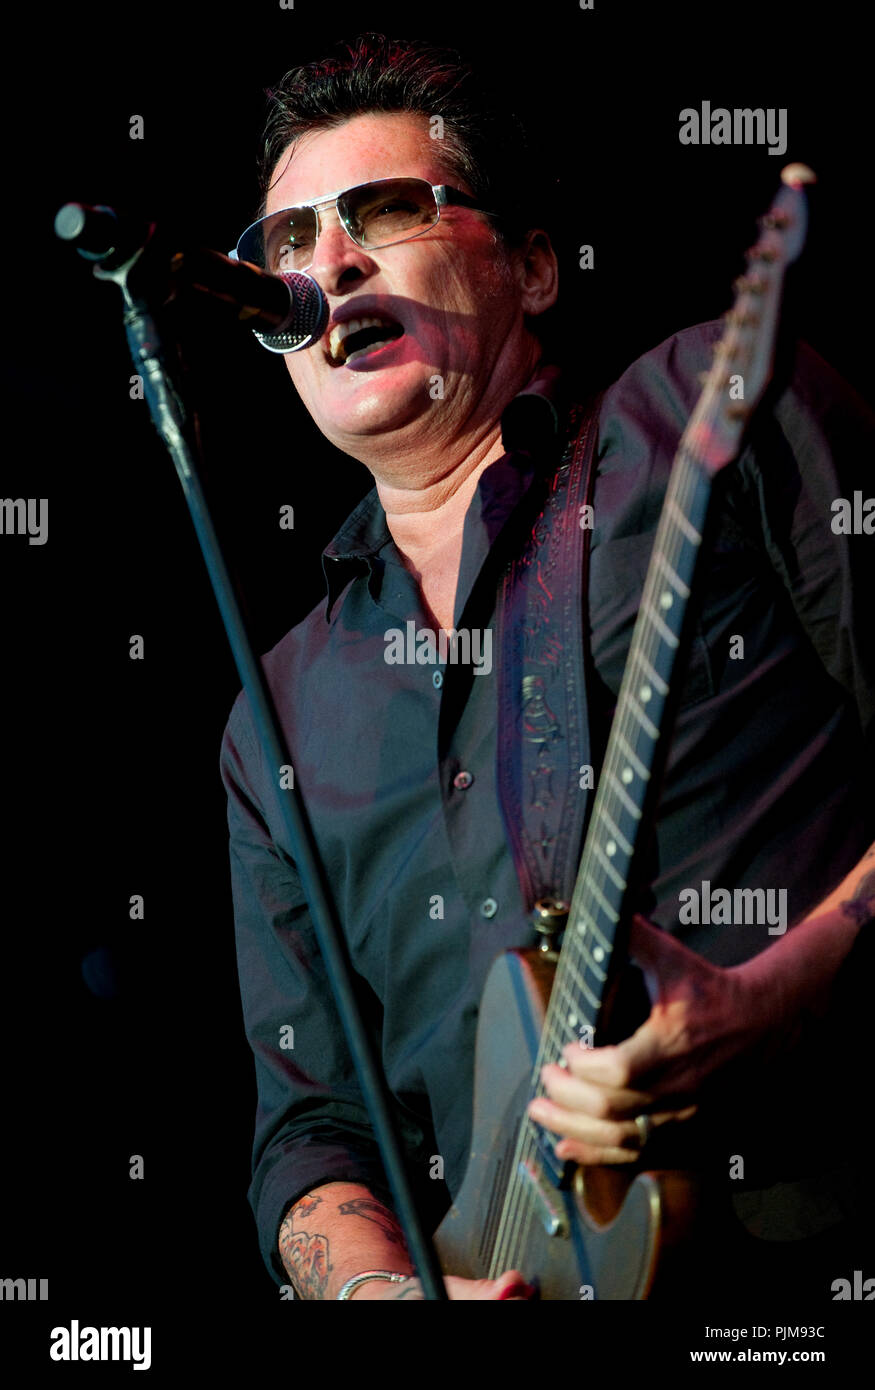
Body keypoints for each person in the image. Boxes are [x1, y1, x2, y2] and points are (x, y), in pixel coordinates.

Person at [219, 33, 875, 1301]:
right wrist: (376, 1291)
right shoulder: (276, 719)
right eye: (289, 242)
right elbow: (312, 1128)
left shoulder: (707, 418)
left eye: (386, 210)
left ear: (529, 267)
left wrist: (784, 988)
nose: (329, 263)